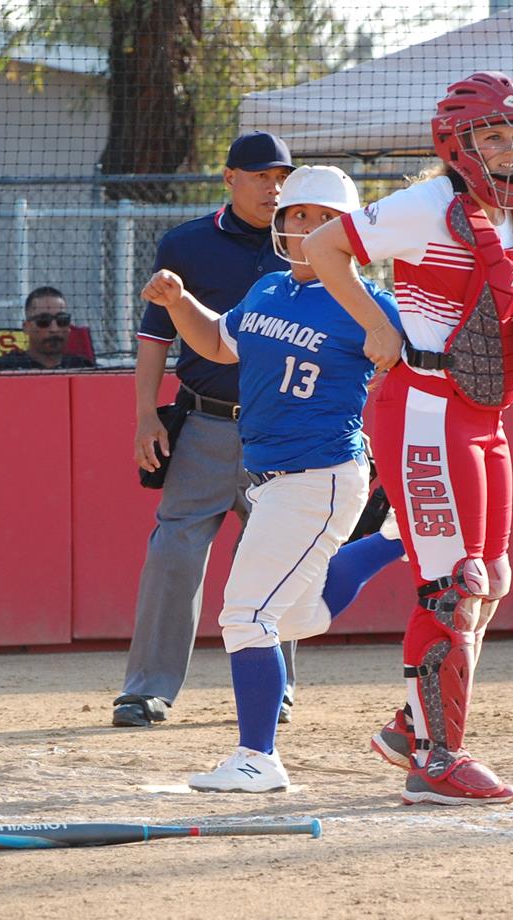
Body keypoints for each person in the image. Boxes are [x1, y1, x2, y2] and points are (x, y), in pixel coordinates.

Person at [304, 71, 513, 806]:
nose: (509, 148)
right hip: (424, 409)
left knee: (490, 579)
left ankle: (413, 727)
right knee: (449, 587)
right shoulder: (426, 205)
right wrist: (376, 325)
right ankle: (436, 761)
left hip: (483, 417)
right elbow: (324, 246)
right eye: (492, 135)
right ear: (456, 143)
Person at [140, 166, 408, 792]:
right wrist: (179, 302)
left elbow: (407, 363)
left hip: (318, 475)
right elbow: (216, 343)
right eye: (298, 216)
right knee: (294, 616)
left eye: (325, 219)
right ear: (281, 224)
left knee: (245, 617)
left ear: (350, 230)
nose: (308, 229)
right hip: (276, 478)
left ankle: (257, 758)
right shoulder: (268, 288)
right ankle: (395, 541)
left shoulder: (369, 304)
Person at [112, 131, 298, 729]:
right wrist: (146, 414)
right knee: (174, 553)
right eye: (262, 176)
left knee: (275, 559)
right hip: (205, 422)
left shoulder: (306, 243)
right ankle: (146, 689)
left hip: (283, 430)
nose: (274, 188)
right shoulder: (187, 243)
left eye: (282, 177)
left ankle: (275, 687)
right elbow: (154, 338)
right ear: (229, 178)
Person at [0, 286, 92, 371]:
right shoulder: (0, 369)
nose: (54, 329)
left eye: (62, 320)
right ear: (26, 327)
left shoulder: (84, 368)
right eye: (44, 321)